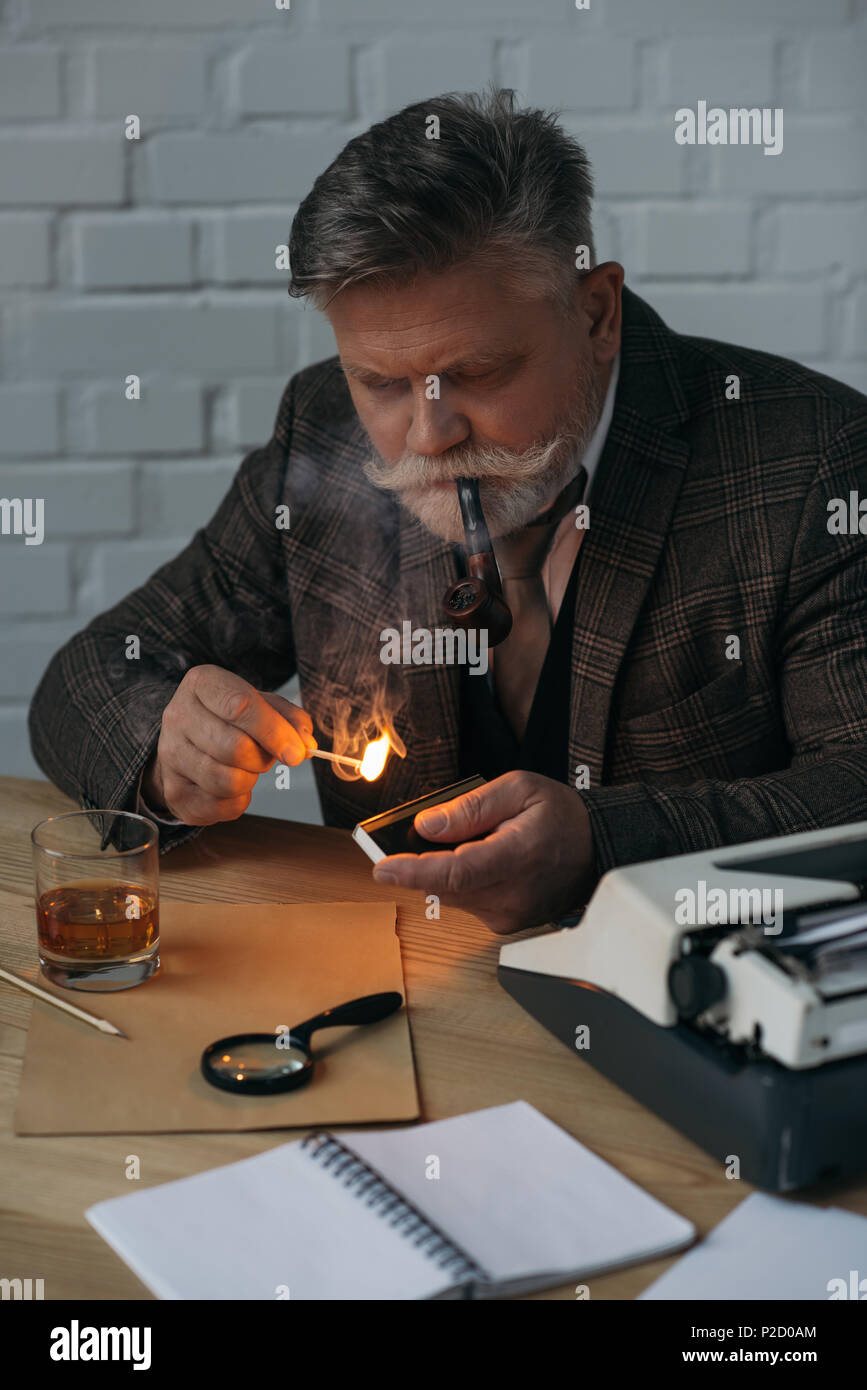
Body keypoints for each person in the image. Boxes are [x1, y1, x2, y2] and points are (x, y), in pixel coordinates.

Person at [28, 89, 867, 934]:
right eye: (382, 384)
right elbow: (91, 672)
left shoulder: (815, 463)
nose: (428, 436)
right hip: (398, 994)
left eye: (478, 372)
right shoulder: (319, 428)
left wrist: (602, 846)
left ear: (596, 312)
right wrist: (168, 753)